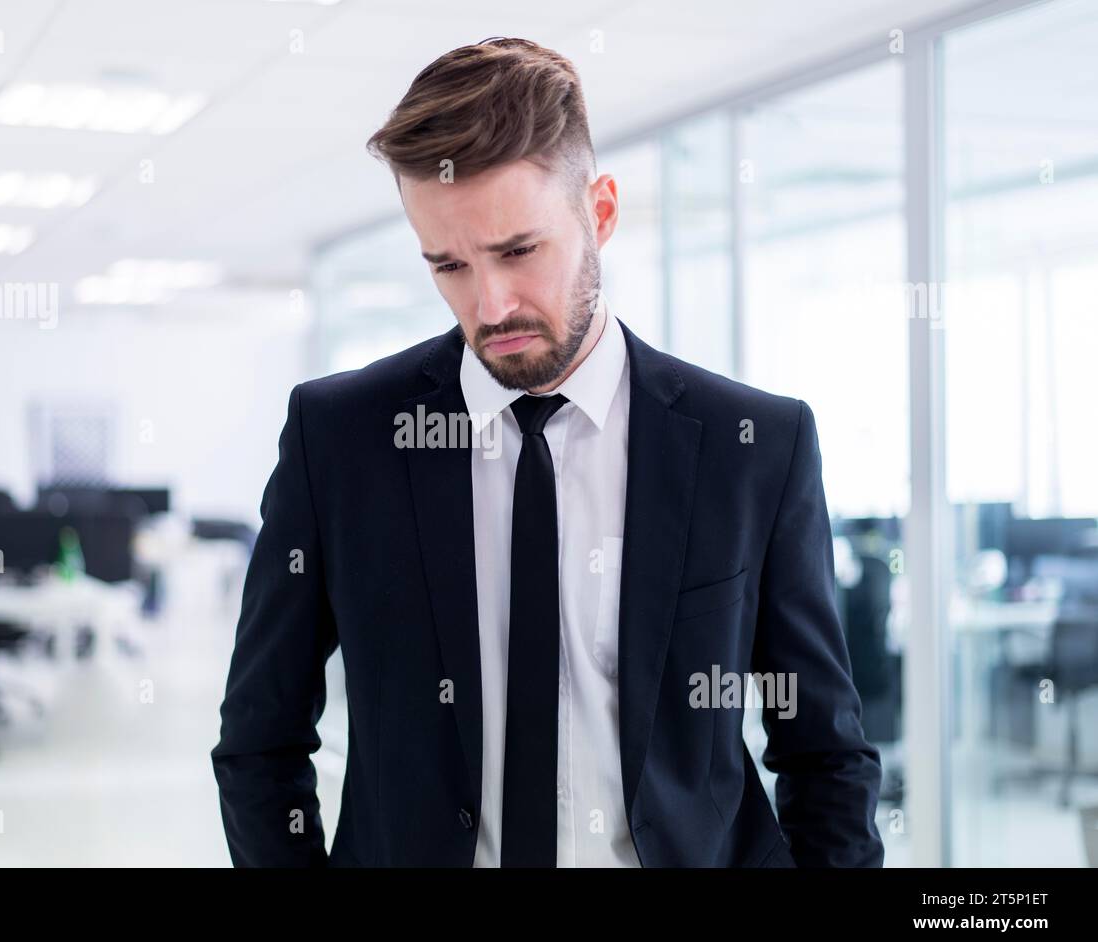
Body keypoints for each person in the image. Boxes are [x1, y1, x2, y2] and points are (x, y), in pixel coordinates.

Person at [212, 37, 884, 868]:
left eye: (517, 251)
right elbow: (259, 739)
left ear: (599, 212)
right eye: (448, 265)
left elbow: (825, 753)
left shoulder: (754, 447)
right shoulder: (340, 438)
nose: (489, 305)